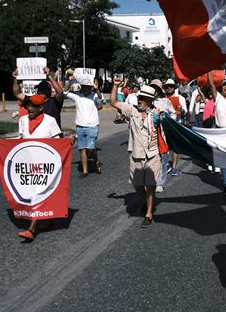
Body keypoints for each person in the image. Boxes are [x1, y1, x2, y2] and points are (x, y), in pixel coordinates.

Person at [110, 78, 161, 228]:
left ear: (150, 100)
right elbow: (113, 102)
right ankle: (144, 200)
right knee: (137, 184)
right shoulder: (131, 110)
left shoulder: (157, 113)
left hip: (153, 154)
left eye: (142, 98)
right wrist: (115, 85)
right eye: (139, 97)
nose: (139, 99)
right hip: (136, 154)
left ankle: (149, 214)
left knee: (150, 185)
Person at [15, 94, 63, 241]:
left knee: (38, 194)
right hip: (28, 165)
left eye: (34, 106)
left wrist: (69, 141)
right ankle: (47, 220)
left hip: (45, 165)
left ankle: (31, 229)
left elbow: (58, 142)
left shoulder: (50, 121)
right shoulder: (22, 120)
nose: (30, 108)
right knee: (31, 194)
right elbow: (21, 140)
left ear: (41, 107)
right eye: (28, 105)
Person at [64, 74, 103, 178]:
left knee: (90, 148)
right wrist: (69, 80)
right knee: (82, 148)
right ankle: (85, 171)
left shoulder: (94, 96)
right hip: (80, 126)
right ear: (81, 87)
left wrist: (97, 89)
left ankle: (96, 161)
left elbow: (101, 101)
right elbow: (65, 92)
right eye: (84, 86)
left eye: (89, 86)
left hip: (93, 126)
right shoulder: (77, 96)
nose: (87, 88)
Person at [163, 78, 187, 176]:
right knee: (164, 146)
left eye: (171, 86)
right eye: (167, 86)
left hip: (176, 124)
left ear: (174, 88)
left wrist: (181, 110)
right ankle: (164, 165)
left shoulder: (180, 98)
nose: (169, 88)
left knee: (174, 147)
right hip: (164, 124)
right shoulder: (162, 98)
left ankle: (174, 167)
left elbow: (185, 111)